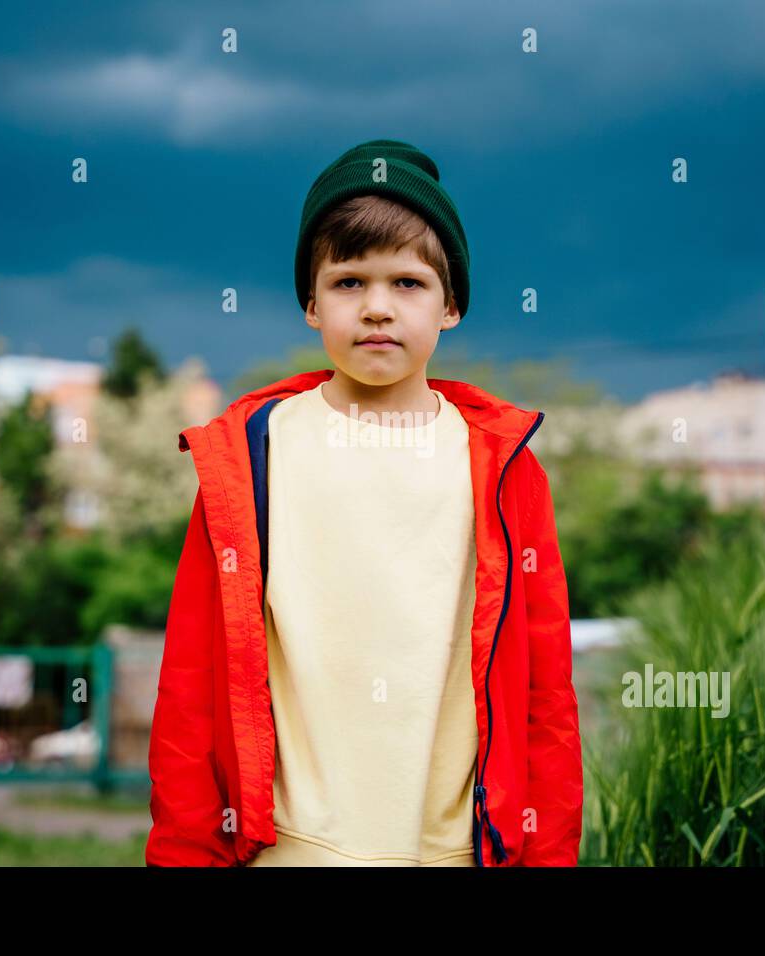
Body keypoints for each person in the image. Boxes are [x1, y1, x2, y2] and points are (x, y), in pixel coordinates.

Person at [146, 139, 583, 867]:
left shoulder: (505, 469)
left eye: (408, 284)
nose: (378, 308)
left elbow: (546, 698)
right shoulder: (249, 458)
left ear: (452, 306)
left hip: (451, 853)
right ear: (311, 303)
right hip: (285, 852)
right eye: (350, 282)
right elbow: (190, 688)